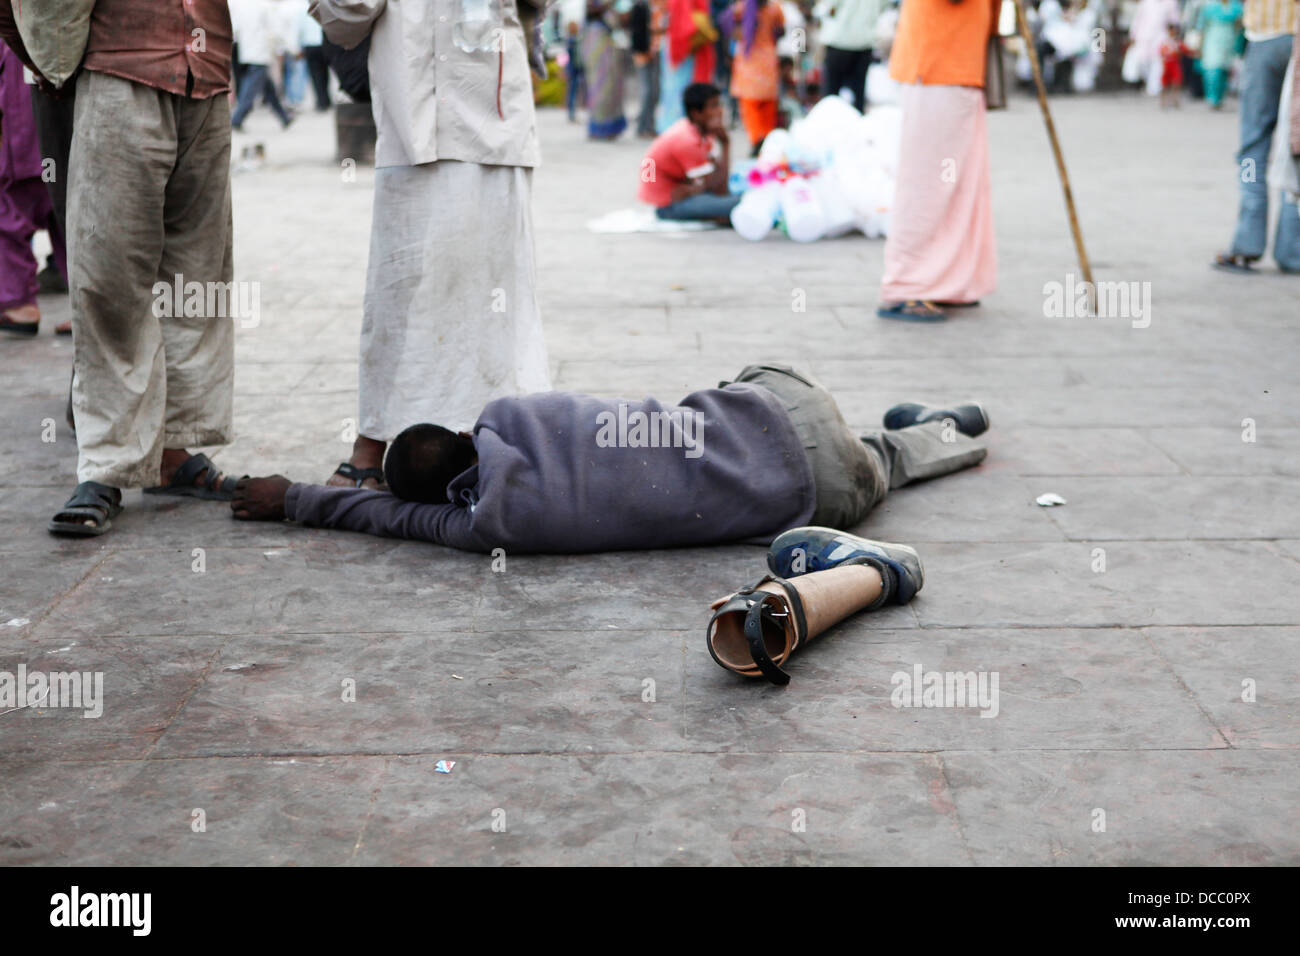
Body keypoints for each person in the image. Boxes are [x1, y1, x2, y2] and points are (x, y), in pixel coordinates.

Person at [231, 363, 990, 562]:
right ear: (465, 437)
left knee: (872, 471)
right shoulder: (511, 414)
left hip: (818, 493)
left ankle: (937, 440)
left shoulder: (491, 525)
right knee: (714, 421)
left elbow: (389, 518)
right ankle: (928, 427)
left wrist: (293, 499)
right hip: (778, 403)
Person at [0, 1, 246, 535]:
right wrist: (46, 59)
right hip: (118, 66)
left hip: (206, 72)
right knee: (110, 276)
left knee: (195, 278)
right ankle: (105, 464)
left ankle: (174, 451)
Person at [312, 0, 551, 491]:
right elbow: (343, 21)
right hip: (412, 123)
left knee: (498, 305)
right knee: (400, 293)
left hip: (493, 122)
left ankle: (496, 449)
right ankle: (372, 446)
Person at [877, 0, 999, 321]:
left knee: (960, 186)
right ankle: (906, 286)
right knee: (927, 184)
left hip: (959, 64)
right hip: (937, 66)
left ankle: (946, 281)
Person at [1213, 0, 1297, 273]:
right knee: (1295, 145)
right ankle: (1292, 249)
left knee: (1254, 144)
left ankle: (1247, 243)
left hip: (1265, 36)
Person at [0, 39, 55, 336]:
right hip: (59, 140)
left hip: (22, 140)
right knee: (70, 218)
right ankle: (85, 309)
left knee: (8, 216)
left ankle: (19, 304)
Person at [638, 81, 741, 221]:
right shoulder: (687, 140)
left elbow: (715, 180)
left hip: (686, 192)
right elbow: (719, 191)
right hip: (666, 205)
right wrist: (725, 144)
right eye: (714, 106)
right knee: (740, 203)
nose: (720, 110)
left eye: (720, 104)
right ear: (696, 113)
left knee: (743, 196)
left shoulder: (699, 130)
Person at [727, 0, 785, 150]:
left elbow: (730, 29)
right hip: (764, 60)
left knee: (751, 104)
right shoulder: (773, 7)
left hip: (752, 61)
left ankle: (757, 139)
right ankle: (764, 139)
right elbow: (781, 30)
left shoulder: (743, 7)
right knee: (764, 103)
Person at [231, 0, 294, 130]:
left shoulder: (239, 5)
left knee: (268, 88)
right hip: (260, 52)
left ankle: (284, 117)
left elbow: (235, 28)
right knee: (251, 87)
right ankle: (237, 118)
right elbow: (276, 30)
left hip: (246, 51)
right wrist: (285, 47)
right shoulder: (265, 6)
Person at [659, 0, 718, 130]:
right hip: (684, 49)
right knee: (679, 90)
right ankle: (680, 127)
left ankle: (679, 126)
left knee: (678, 90)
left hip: (684, 48)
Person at [818, 0, 882, 112]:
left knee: (831, 95)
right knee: (858, 93)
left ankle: (830, 124)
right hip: (864, 42)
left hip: (839, 42)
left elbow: (825, 8)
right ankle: (858, 124)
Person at [582, 1, 627, 140]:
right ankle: (598, 129)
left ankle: (611, 129)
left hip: (608, 52)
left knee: (611, 90)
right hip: (597, 50)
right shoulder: (593, 18)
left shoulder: (610, 12)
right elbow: (591, 11)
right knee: (598, 90)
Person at [1197, 0, 1245, 108]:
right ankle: (1212, 98)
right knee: (1212, 69)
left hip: (1230, 40)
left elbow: (1241, 25)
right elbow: (1201, 26)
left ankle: (1219, 98)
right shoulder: (1209, 6)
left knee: (1225, 70)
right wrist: (1199, 44)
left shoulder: (1236, 6)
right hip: (1212, 39)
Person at [1128, 0, 1181, 95]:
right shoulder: (1145, 2)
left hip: (1161, 37)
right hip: (1143, 36)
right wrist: (1133, 35)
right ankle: (1149, 82)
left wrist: (1173, 38)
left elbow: (1174, 21)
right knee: (1142, 61)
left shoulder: (1170, 3)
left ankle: (1154, 87)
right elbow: (1137, 19)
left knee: (1158, 62)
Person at [632, 0, 661, 137]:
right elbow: (638, 33)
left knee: (654, 92)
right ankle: (643, 127)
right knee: (647, 92)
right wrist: (646, 50)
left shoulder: (653, 7)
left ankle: (649, 124)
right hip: (643, 55)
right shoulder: (639, 7)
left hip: (653, 54)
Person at [1160, 24, 1187, 107]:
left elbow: (1184, 50)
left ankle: (1175, 100)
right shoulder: (1165, 42)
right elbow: (1161, 52)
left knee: (1176, 82)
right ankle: (1163, 101)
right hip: (1167, 64)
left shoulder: (1177, 42)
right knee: (1165, 84)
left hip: (1175, 64)